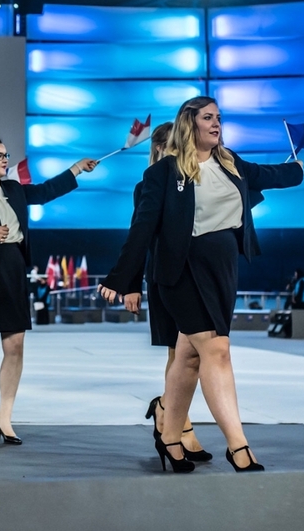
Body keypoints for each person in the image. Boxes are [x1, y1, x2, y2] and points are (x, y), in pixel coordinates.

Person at [100, 96, 303, 473]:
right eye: (208, 117)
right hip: (181, 271)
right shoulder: (163, 173)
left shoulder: (231, 163)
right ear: (188, 123)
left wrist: (297, 170)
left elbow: (269, 175)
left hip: (222, 269)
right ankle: (238, 446)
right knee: (217, 349)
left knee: (188, 356)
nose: (216, 123)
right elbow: (141, 230)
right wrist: (123, 279)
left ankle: (169, 435)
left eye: (219, 117)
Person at [0, 137, 97, 444]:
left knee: (15, 347)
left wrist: (77, 168)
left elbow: (45, 191)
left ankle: (4, 417)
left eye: (6, 154)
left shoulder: (13, 189)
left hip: (12, 272)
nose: (5, 159)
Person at [123, 122, 210, 461]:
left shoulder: (198, 179)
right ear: (160, 148)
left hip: (198, 276)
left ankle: (165, 410)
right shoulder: (148, 184)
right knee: (179, 353)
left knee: (194, 355)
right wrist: (131, 285)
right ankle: (181, 426)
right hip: (164, 277)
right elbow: (138, 237)